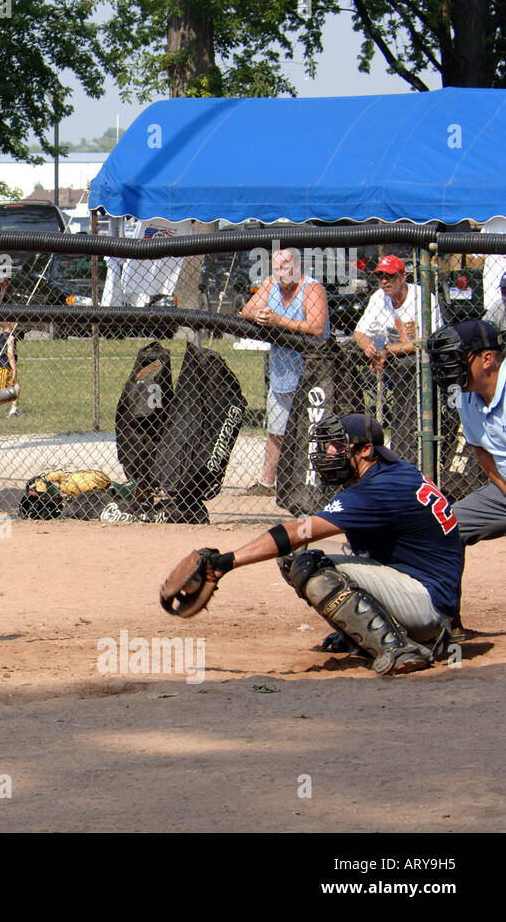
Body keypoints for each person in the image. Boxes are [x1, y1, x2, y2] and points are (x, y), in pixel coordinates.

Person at [164, 413, 461, 675]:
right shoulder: (392, 473)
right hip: (421, 591)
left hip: (427, 606)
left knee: (311, 566)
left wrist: (225, 562)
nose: (329, 453)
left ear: (366, 449)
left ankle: (397, 649)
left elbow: (298, 532)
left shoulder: (377, 489)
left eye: (339, 446)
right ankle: (362, 634)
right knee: (298, 555)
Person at [239, 248, 329, 495]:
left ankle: (315, 485)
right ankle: (267, 484)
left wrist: (279, 321)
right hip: (281, 373)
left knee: (314, 433)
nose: (280, 274)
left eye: (285, 268)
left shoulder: (312, 289)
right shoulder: (271, 284)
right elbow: (247, 310)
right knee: (276, 432)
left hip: (313, 374)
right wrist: (262, 314)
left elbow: (317, 327)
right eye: (276, 268)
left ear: (297, 268)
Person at [352, 254, 438, 460]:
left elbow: (425, 341)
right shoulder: (378, 298)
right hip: (388, 361)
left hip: (421, 364)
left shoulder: (422, 297)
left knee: (409, 366)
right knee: (352, 357)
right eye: (380, 276)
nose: (384, 281)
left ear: (403, 277)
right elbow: (359, 333)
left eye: (389, 276)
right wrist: (369, 349)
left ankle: (407, 452)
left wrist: (387, 351)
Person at [430, 320, 506, 546]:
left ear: (488, 359)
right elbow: (482, 451)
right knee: (441, 528)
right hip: (502, 492)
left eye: (457, 358)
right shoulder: (464, 396)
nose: (449, 367)